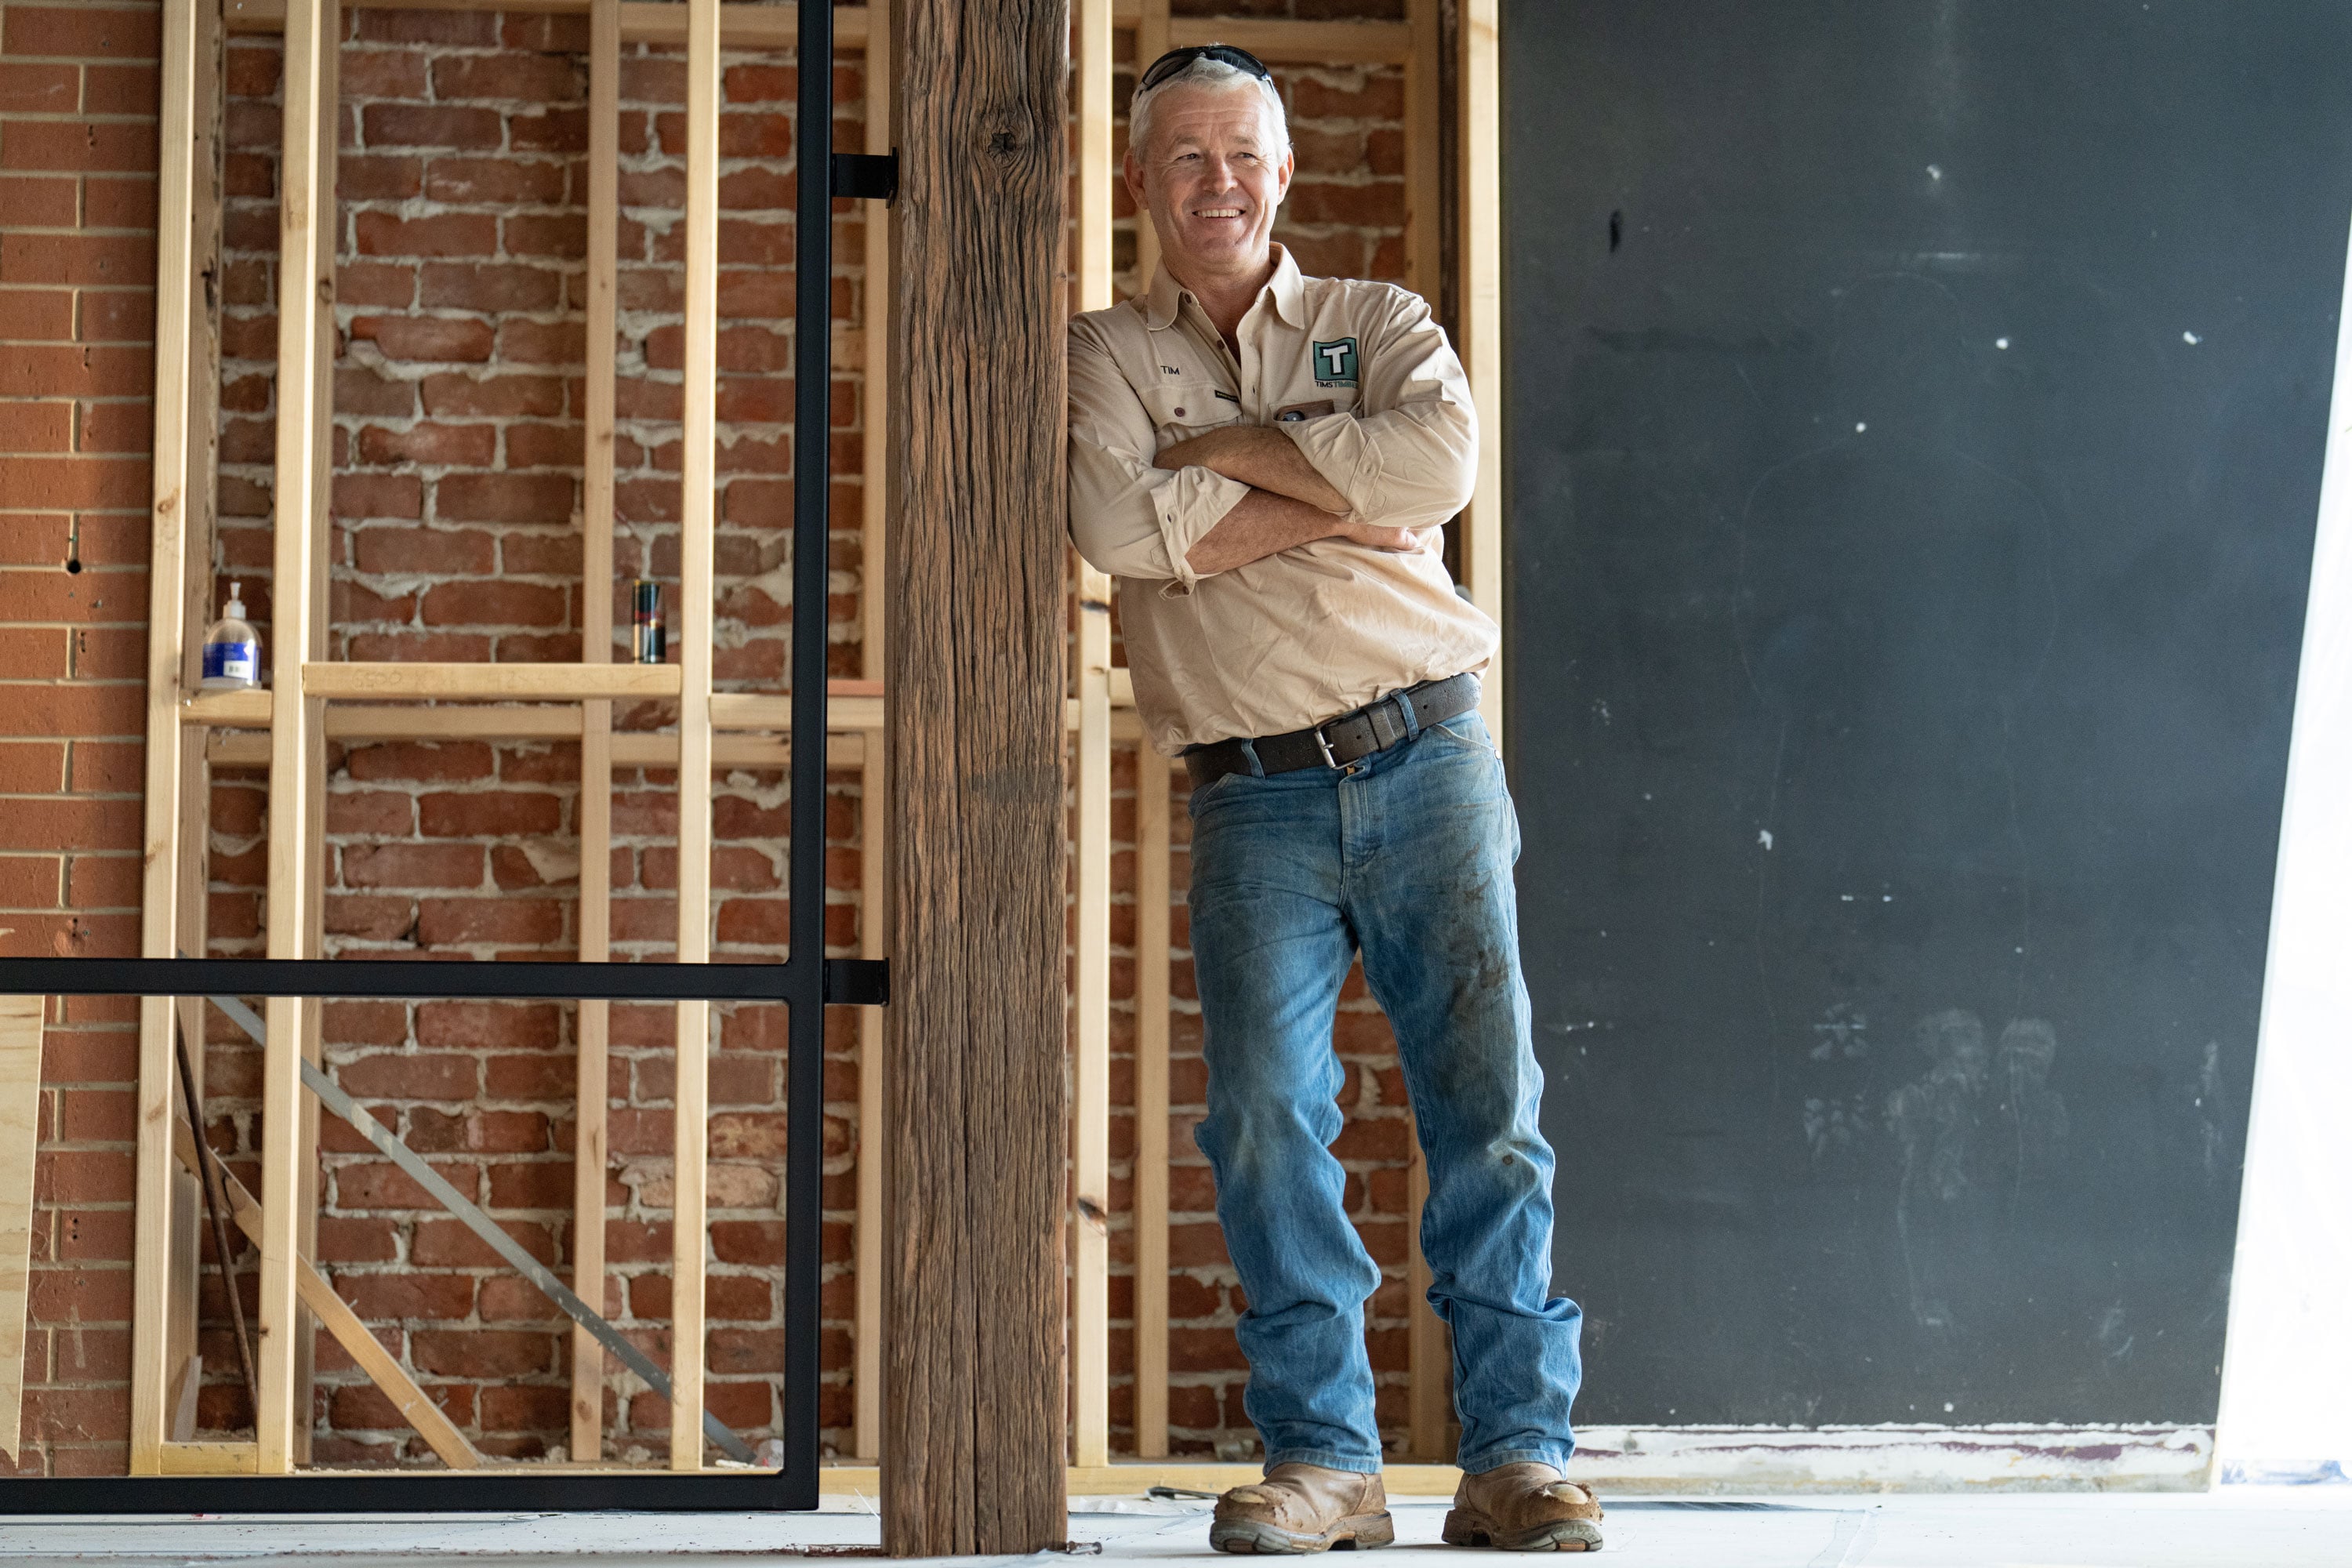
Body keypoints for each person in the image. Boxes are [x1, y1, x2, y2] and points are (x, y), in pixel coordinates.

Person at [1066, 44, 1600, 1556]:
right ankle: (1327, 1464)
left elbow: (1435, 463)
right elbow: (1118, 522)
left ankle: (1518, 1457)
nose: (1216, 184)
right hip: (1255, 798)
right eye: (1183, 159)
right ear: (1138, 181)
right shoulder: (1103, 354)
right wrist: (1330, 481)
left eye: (1241, 155)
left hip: (1432, 755)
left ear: (1282, 173)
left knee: (1488, 1116)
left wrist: (1221, 463)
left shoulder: (1381, 323)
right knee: (1260, 1124)